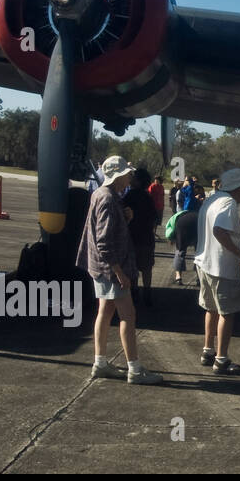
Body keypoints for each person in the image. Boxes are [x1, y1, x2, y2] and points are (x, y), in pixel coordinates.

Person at [75, 155, 163, 385]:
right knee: (128, 315)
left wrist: (127, 218)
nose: (130, 177)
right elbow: (104, 241)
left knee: (105, 311)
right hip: (111, 268)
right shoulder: (109, 200)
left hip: (100, 267)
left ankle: (100, 363)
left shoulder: (102, 195)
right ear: (118, 176)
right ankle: (134, 368)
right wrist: (119, 272)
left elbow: (105, 232)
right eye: (127, 173)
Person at [193, 167, 240, 375]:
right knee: (226, 313)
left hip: (205, 263)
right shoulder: (228, 203)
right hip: (221, 268)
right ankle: (221, 359)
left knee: (210, 309)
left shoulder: (212, 199)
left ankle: (208, 350)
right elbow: (219, 231)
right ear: (237, 188)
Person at [122, 166, 160, 306]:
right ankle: (147, 294)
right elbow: (155, 218)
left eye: (134, 177)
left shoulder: (129, 196)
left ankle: (134, 293)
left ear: (138, 181)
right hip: (146, 239)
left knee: (132, 269)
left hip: (132, 238)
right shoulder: (148, 197)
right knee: (146, 268)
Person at [169, 207, 199, 285]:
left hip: (182, 224)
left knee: (180, 251)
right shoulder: (198, 212)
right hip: (197, 222)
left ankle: (178, 277)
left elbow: (171, 230)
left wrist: (175, 240)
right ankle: (199, 278)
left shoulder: (176, 217)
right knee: (199, 252)